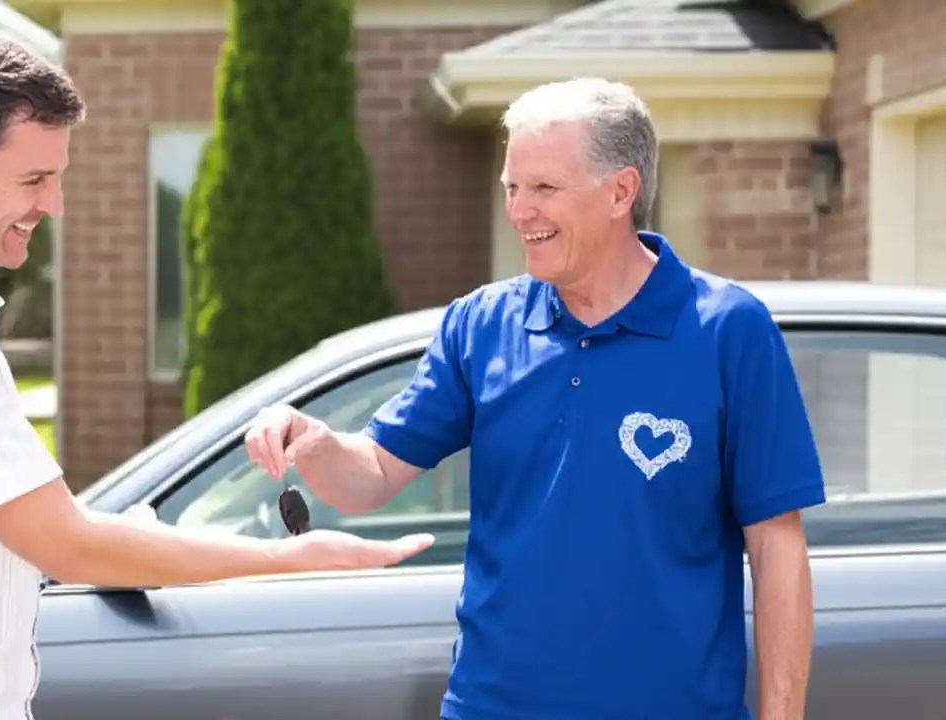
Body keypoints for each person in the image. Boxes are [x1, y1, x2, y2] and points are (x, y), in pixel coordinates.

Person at [0, 31, 432, 719]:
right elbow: (71, 544)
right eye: (33, 180)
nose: (53, 205)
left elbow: (41, 524)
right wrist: (290, 561)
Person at [246, 77, 825, 720]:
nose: (520, 212)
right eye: (512, 188)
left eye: (544, 188)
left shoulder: (728, 330)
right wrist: (316, 443)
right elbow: (375, 474)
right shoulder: (479, 326)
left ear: (621, 192)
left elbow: (776, 546)